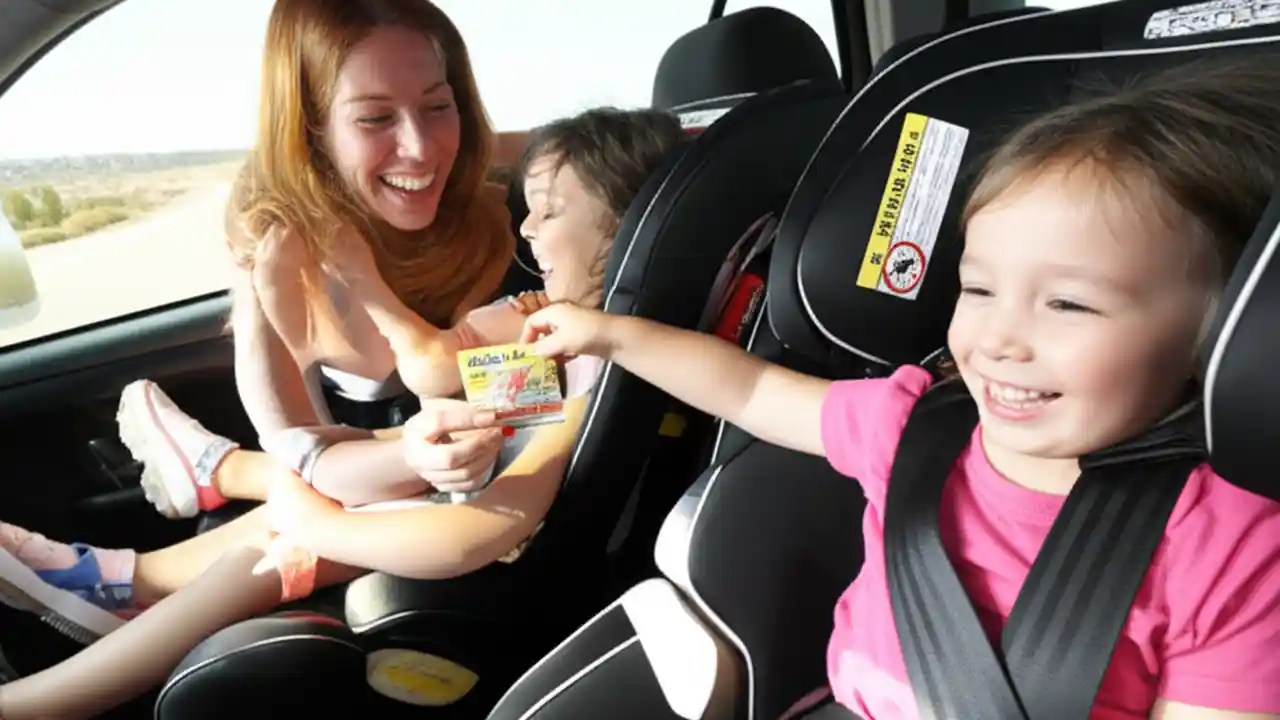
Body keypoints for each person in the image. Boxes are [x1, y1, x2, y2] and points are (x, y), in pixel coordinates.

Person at [521, 61, 1280, 720]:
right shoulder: (913, 425)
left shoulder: (1232, 546)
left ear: (1217, 333)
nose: (998, 340)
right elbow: (750, 392)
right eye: (977, 289)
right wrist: (612, 335)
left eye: (1069, 305)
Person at [0, 106, 685, 720]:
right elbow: (436, 370)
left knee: (278, 548)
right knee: (321, 483)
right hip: (467, 484)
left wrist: (319, 523)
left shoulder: (605, 367)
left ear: (628, 224)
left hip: (506, 556)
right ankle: (118, 576)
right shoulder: (558, 326)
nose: (525, 225)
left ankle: (33, 704)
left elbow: (474, 535)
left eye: (549, 210)